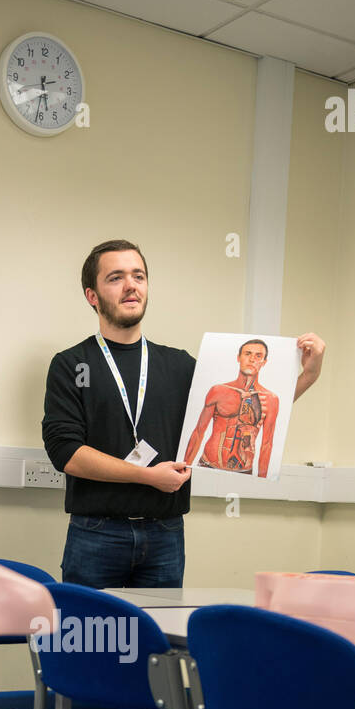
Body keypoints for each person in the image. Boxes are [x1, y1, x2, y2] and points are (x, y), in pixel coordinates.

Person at [41, 239, 325, 588]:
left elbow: (245, 412)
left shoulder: (179, 365)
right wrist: (146, 476)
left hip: (165, 533)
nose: (131, 285)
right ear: (92, 296)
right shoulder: (71, 364)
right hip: (97, 533)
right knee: (94, 641)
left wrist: (307, 376)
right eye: (116, 277)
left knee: (161, 642)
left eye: (139, 276)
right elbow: (66, 453)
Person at [183, 339, 279, 475]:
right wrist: (184, 466)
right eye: (247, 353)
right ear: (238, 357)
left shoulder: (270, 399)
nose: (252, 359)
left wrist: (261, 479)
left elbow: (267, 444)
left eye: (258, 356)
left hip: (243, 471)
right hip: (208, 465)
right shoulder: (218, 391)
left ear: (264, 362)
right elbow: (199, 432)